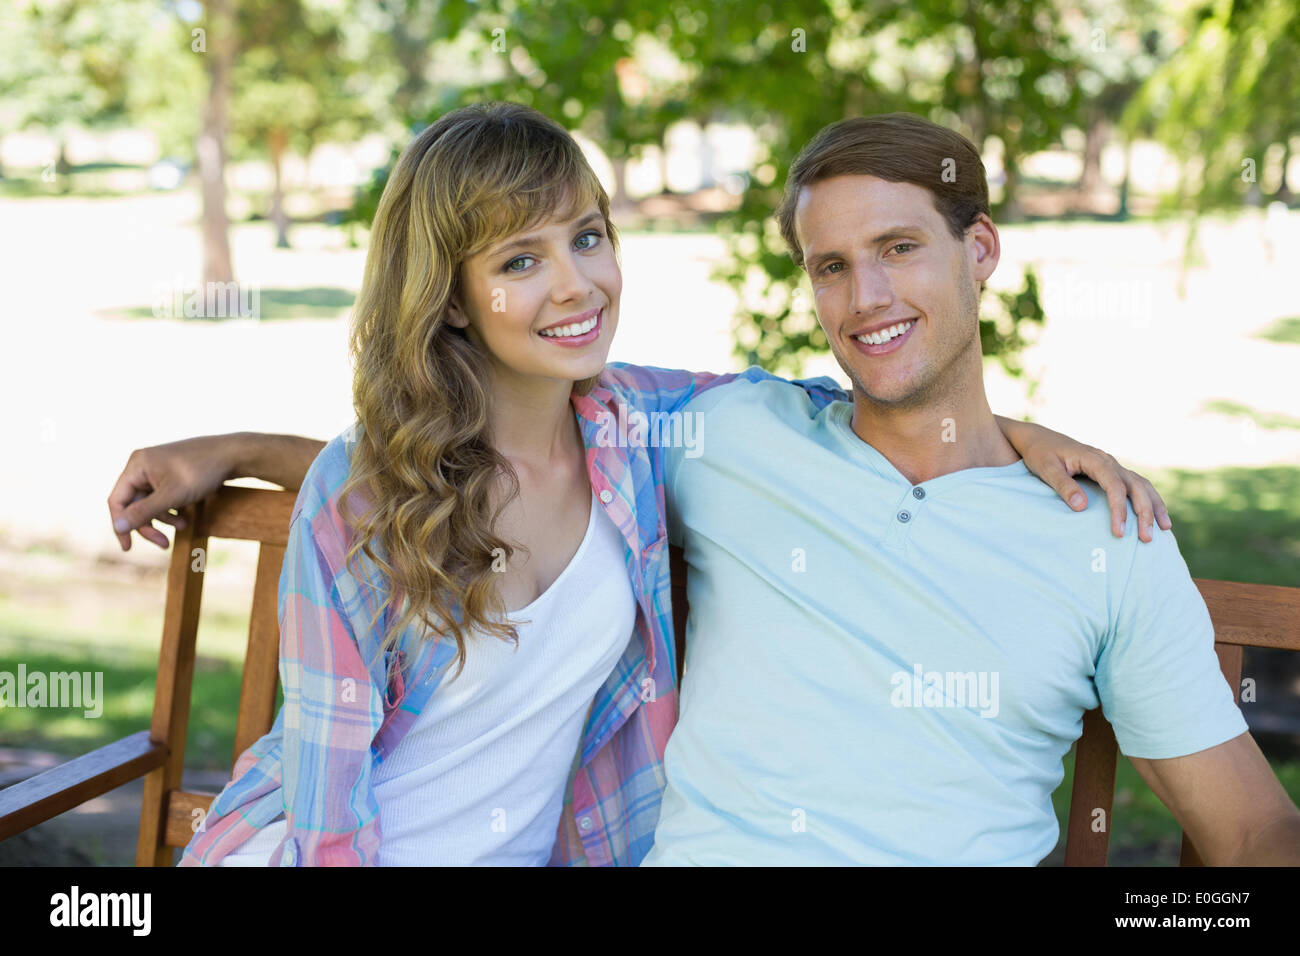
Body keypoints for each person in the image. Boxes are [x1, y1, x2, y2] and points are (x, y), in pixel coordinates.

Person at [109, 105, 1172, 867]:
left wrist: (1025, 434)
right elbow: (331, 811)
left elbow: (871, 379)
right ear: (452, 299)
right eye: (518, 261)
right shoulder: (362, 498)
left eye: (585, 236)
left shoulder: (640, 434)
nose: (575, 282)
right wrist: (239, 446)